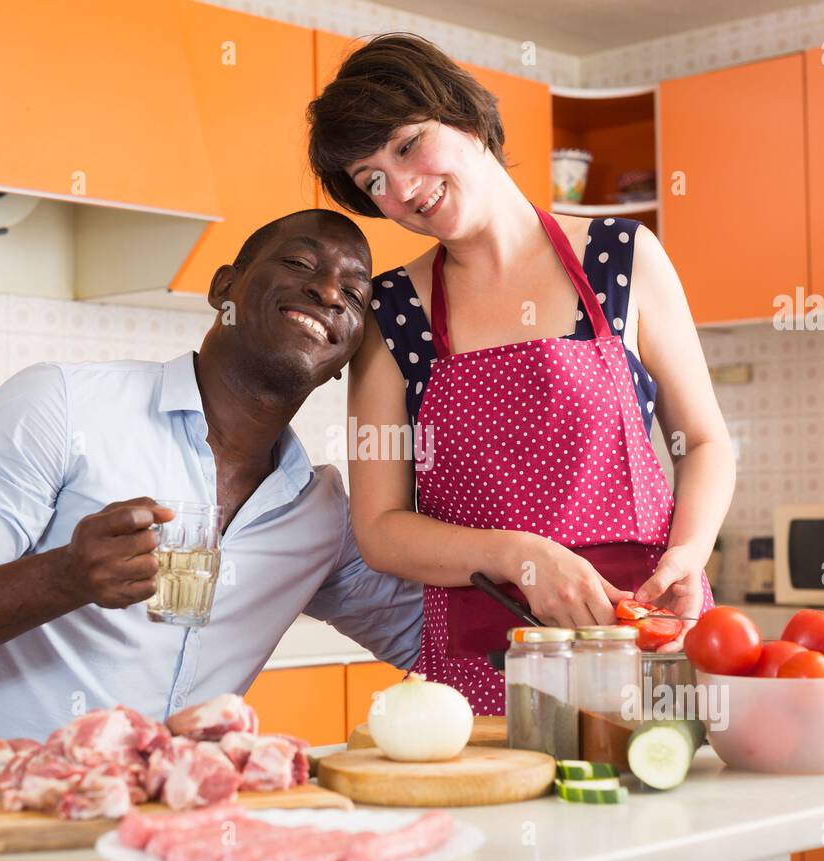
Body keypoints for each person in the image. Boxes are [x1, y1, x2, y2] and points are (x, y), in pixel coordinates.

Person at [0, 209, 422, 791]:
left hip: (142, 838)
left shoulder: (320, 514)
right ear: (224, 286)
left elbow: (434, 640)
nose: (328, 292)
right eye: (299, 263)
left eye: (354, 293)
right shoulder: (64, 405)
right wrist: (63, 577)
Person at [307, 34, 734, 714]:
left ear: (466, 116)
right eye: (373, 180)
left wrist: (689, 551)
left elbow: (705, 442)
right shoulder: (391, 314)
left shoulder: (622, 260)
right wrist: (524, 557)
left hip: (651, 632)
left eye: (408, 144)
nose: (404, 189)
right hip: (493, 653)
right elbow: (381, 528)